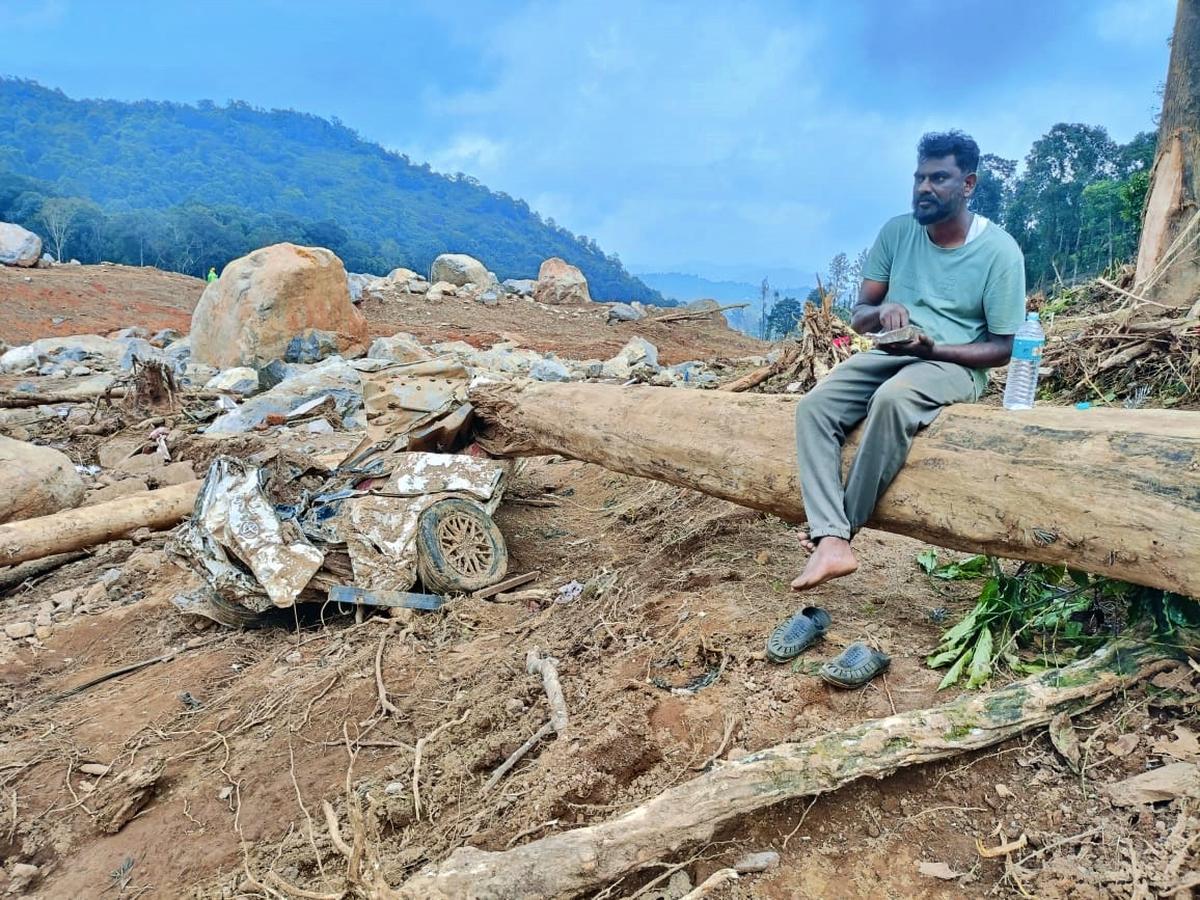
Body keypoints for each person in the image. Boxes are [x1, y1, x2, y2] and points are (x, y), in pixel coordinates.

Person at [790, 130, 1026, 592]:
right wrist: (881, 315)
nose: (924, 187)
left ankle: (837, 534)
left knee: (892, 401)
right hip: (893, 351)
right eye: (919, 177)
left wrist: (930, 349)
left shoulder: (1000, 252)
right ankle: (831, 536)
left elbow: (1002, 348)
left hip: (955, 365)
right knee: (814, 408)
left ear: (968, 184)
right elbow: (859, 316)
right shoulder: (897, 232)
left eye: (939, 177)